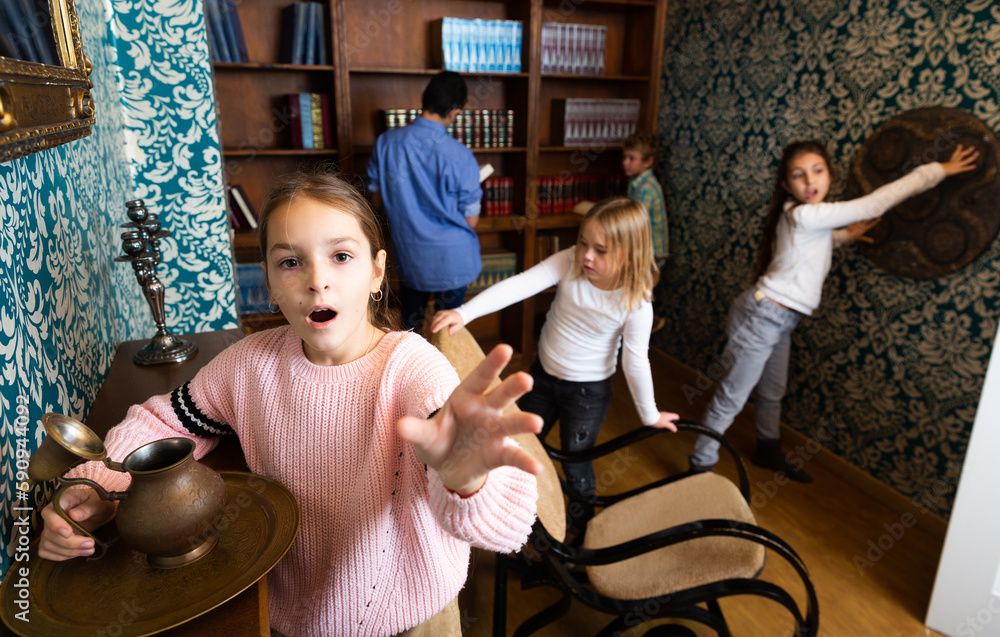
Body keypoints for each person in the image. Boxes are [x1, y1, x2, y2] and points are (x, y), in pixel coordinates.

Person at [37, 171, 543, 637]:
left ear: (376, 271)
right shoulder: (250, 363)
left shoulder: (413, 369)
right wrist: (104, 487)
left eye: (341, 256)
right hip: (280, 609)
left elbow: (506, 523)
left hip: (408, 615)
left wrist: (467, 477)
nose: (316, 280)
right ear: (271, 282)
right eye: (290, 261)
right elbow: (160, 419)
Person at [689, 140, 980, 483]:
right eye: (798, 176)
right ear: (786, 185)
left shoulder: (799, 216)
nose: (809, 181)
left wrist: (843, 236)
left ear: (829, 174)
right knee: (732, 396)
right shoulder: (807, 213)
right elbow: (878, 201)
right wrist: (938, 170)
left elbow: (802, 251)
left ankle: (767, 449)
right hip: (764, 316)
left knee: (772, 392)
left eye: (817, 171)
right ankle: (699, 466)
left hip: (775, 316)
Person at [431, 197, 679, 527]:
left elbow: (635, 362)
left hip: (587, 394)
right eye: (583, 243)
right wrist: (465, 312)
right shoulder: (571, 262)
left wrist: (650, 414)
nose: (586, 255)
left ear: (630, 254)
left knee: (576, 464)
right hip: (543, 377)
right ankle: (519, 526)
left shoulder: (636, 304)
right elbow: (520, 284)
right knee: (522, 448)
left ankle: (578, 530)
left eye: (600, 250)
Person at [367, 71, 483, 332]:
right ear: (455, 111)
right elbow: (470, 219)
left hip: (411, 256)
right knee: (447, 334)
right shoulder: (461, 155)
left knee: (410, 331)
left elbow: (376, 200)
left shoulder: (386, 144)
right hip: (454, 258)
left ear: (426, 100)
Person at [622, 131, 668, 334]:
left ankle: (646, 323)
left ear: (648, 162)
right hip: (643, 249)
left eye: (632, 158)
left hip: (652, 253)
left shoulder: (647, 189)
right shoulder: (636, 183)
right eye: (625, 157)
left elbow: (634, 222)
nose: (625, 162)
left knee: (636, 294)